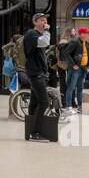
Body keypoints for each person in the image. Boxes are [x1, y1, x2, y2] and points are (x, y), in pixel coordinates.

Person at [22, 13, 52, 142]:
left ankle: (30, 130)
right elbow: (45, 42)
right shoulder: (31, 34)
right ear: (35, 22)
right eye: (41, 20)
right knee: (44, 102)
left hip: (39, 73)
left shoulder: (37, 35)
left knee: (34, 103)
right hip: (36, 73)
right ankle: (35, 132)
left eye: (45, 20)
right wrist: (46, 31)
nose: (44, 22)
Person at [61, 27, 89, 112]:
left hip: (83, 68)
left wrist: (88, 66)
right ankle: (68, 106)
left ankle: (80, 106)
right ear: (81, 34)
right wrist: (73, 64)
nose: (88, 35)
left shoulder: (87, 43)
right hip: (74, 69)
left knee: (80, 88)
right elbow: (66, 53)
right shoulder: (74, 42)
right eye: (86, 33)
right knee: (71, 87)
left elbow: (87, 56)